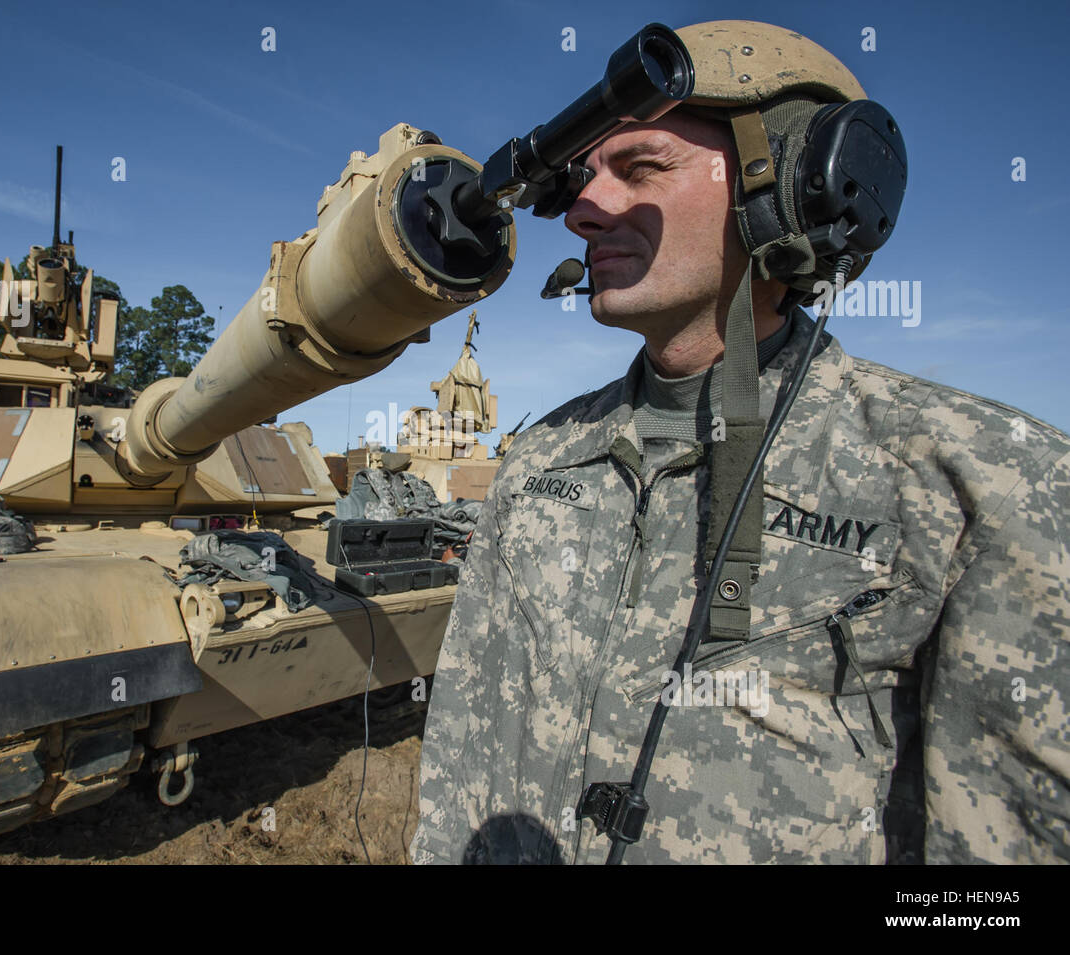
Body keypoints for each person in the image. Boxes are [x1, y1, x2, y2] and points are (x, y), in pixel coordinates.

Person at [410, 20, 1070, 864]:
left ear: (790, 188)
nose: (582, 211)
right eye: (584, 179)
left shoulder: (974, 483)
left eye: (641, 168)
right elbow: (462, 753)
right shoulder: (541, 461)